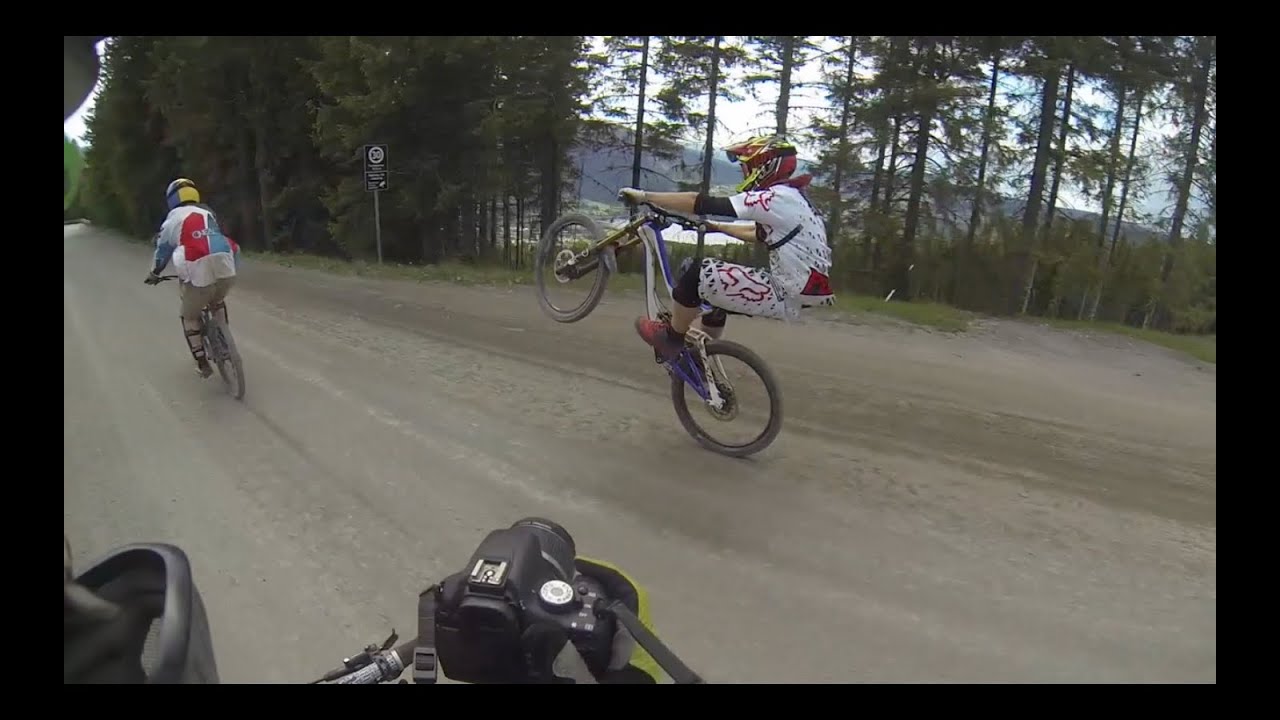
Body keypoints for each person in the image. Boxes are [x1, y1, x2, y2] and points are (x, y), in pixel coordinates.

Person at [617, 135, 835, 360]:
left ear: (763, 166)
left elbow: (699, 203)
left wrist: (646, 197)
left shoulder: (772, 198)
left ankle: (671, 338)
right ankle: (700, 359)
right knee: (716, 296)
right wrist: (718, 227)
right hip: (802, 291)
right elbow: (757, 234)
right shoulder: (793, 198)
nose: (744, 173)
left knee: (697, 272)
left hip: (784, 292)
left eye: (746, 167)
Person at [144, 178, 241, 378]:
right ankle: (223, 337)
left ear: (171, 199)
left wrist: (154, 273)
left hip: (196, 270)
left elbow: (162, 252)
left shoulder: (171, 221)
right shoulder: (208, 214)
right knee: (217, 300)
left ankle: (202, 363)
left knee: (188, 316)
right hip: (226, 267)